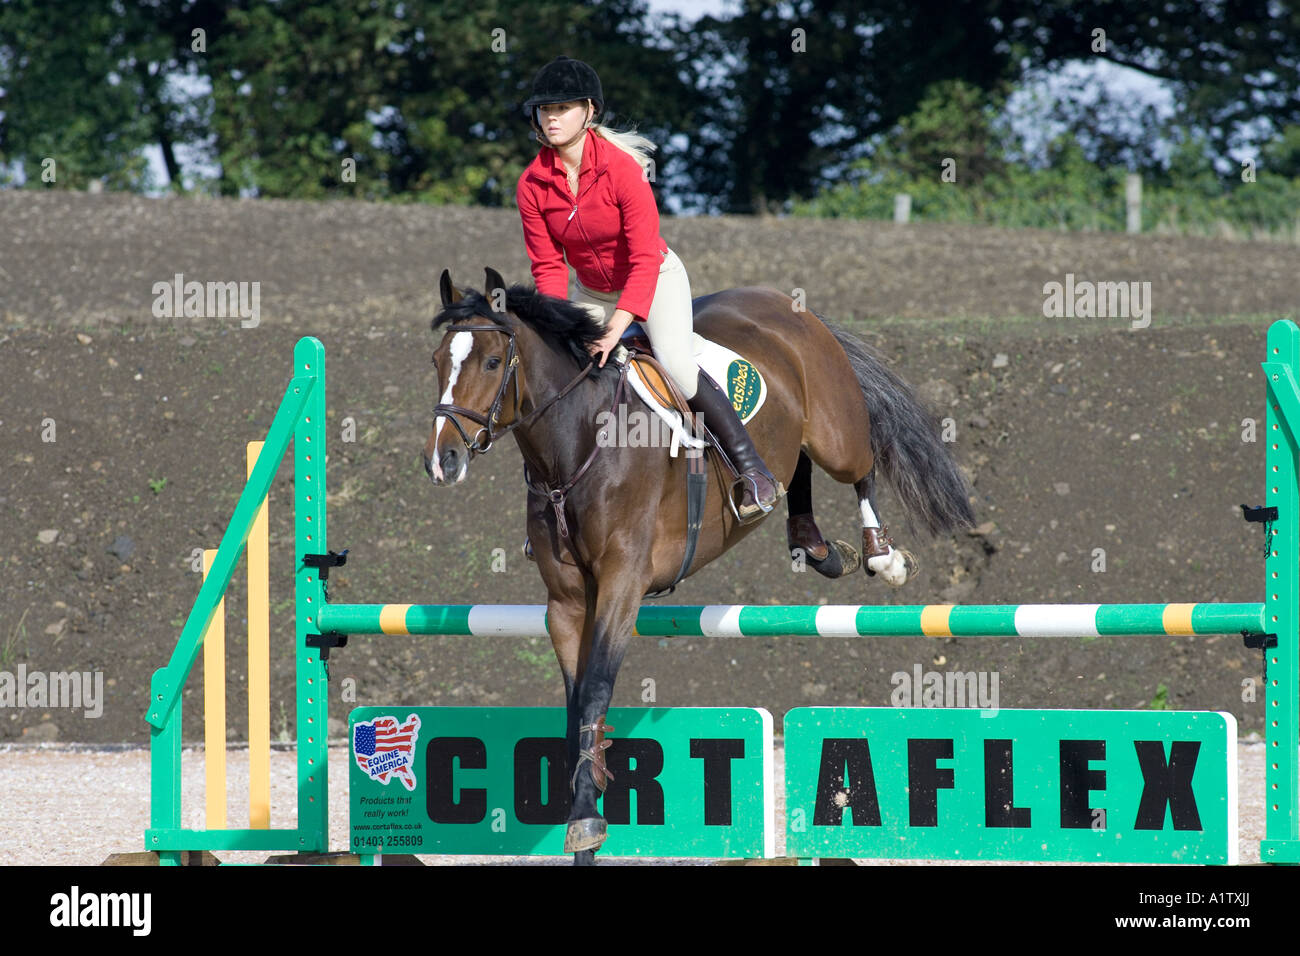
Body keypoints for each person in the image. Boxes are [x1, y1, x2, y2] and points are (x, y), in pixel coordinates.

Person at [515, 54, 782, 521]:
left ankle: (751, 468)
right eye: (545, 109)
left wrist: (616, 328)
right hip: (592, 291)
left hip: (654, 278)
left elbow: (642, 260)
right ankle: (552, 502)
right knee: (565, 373)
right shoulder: (532, 185)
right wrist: (558, 328)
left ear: (589, 111)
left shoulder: (622, 171)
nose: (552, 117)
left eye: (563, 108)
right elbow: (548, 268)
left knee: (676, 365)